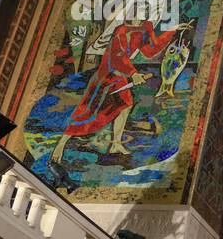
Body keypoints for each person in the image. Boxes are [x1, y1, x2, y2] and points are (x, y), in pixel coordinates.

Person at [49, 13, 192, 172]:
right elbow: (118, 57)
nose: (143, 16)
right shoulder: (121, 31)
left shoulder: (145, 28)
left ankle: (115, 144)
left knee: (125, 105)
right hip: (106, 76)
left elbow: (150, 51)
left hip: (121, 77)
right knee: (88, 111)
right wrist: (133, 74)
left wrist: (172, 31)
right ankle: (61, 144)